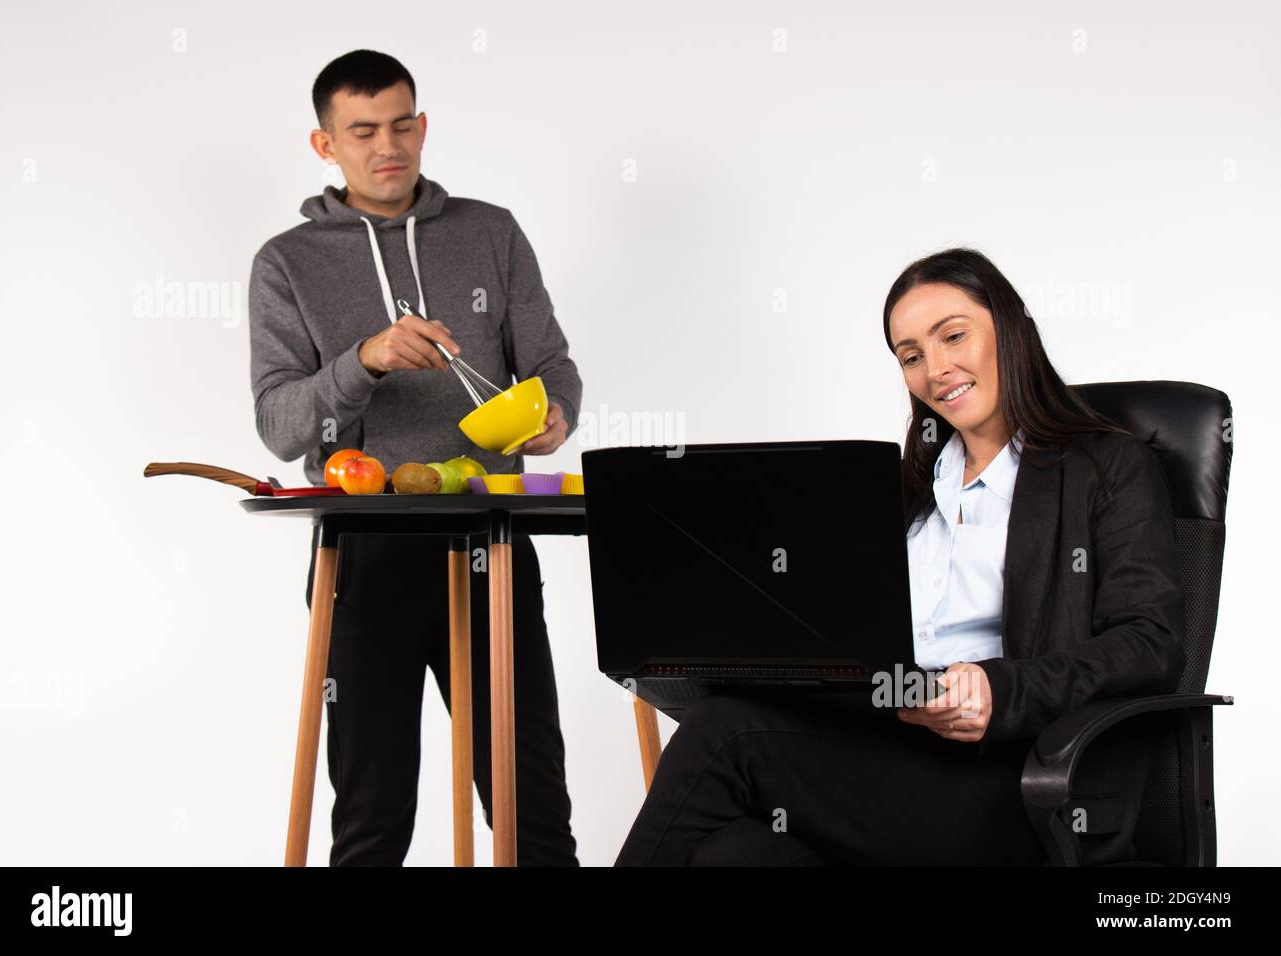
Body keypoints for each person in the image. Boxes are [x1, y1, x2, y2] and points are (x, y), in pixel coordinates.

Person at [614, 248, 1186, 866]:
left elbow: (1151, 641)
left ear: (1012, 329)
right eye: (911, 356)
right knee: (735, 855)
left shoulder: (1105, 465)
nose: (935, 368)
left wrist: (1000, 689)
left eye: (954, 336)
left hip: (1013, 779)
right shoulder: (908, 488)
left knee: (723, 733)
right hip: (885, 745)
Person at [248, 50, 582, 865]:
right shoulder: (288, 262)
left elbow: (550, 364)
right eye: (362, 131)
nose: (387, 145)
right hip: (366, 551)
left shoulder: (489, 231)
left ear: (423, 126)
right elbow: (280, 423)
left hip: (492, 540)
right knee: (371, 814)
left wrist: (556, 414)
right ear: (326, 145)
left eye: (402, 125)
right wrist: (365, 358)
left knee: (529, 802)